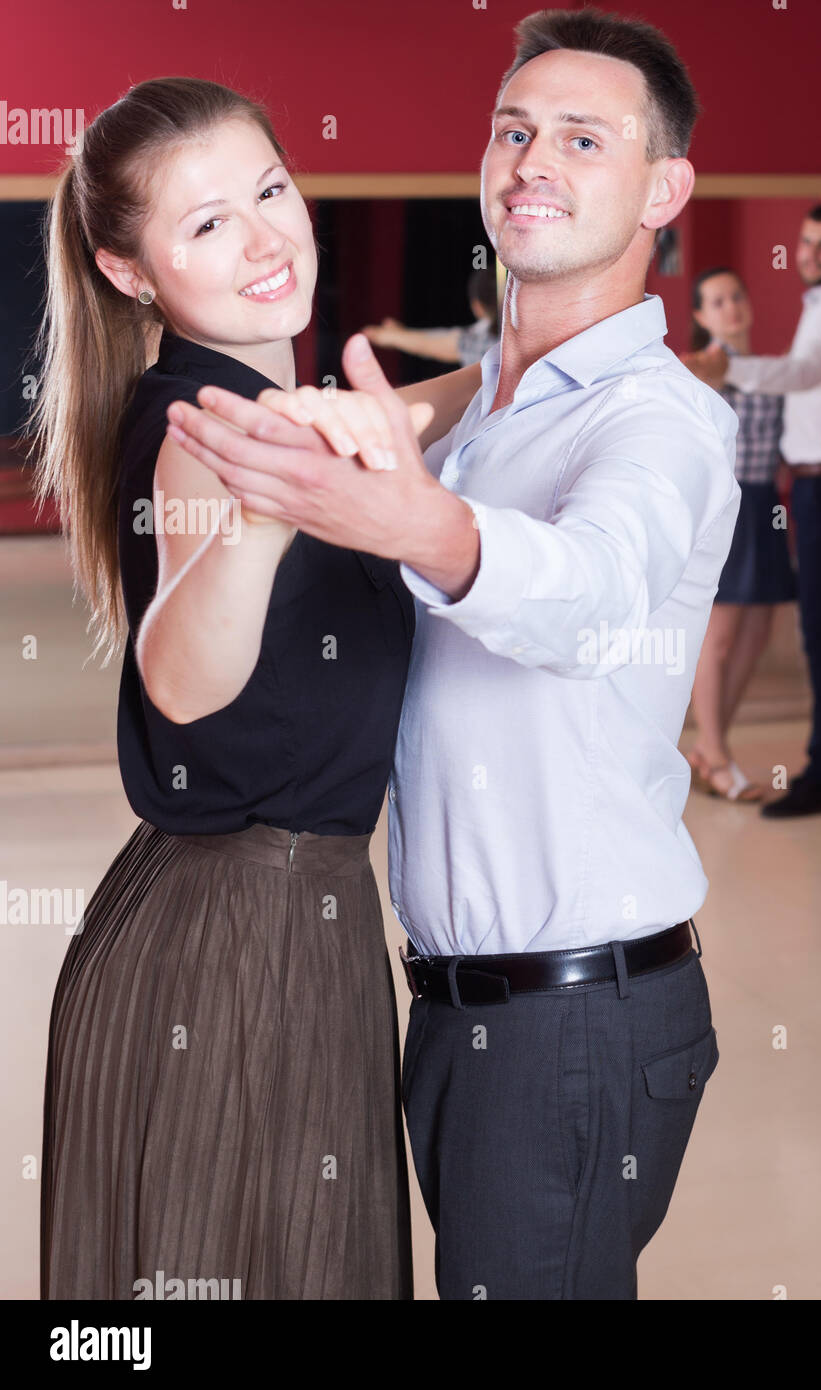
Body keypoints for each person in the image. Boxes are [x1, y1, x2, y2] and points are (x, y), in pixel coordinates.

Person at [165, 7, 738, 1299]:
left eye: (582, 138)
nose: (532, 158)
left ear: (663, 188)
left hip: (571, 1022)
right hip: (454, 1011)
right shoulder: (479, 410)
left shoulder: (660, 423)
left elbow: (590, 595)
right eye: (513, 128)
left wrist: (411, 521)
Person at [32, 77, 480, 1298]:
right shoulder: (205, 436)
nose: (266, 238)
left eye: (270, 190)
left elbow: (379, 419)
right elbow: (180, 670)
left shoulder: (260, 407)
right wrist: (260, 525)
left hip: (259, 919)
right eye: (207, 224)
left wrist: (510, 376)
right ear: (133, 273)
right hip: (241, 949)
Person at [683, 203, 821, 818]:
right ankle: (733, 753)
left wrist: (731, 365)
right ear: (698, 315)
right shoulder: (714, 368)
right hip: (748, 506)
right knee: (806, 630)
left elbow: (804, 374)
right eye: (806, 242)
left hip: (794, 494)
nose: (811, 253)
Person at [683, 266, 795, 802]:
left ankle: (710, 747)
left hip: (765, 503)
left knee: (758, 629)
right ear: (702, 317)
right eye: (717, 302)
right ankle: (717, 753)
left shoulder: (772, 369)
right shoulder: (700, 369)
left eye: (736, 296)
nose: (730, 307)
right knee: (720, 635)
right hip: (725, 505)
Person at [364, 265, 501, 367]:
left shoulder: (492, 340)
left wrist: (393, 337)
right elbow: (451, 336)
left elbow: (441, 344)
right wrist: (402, 334)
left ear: (477, 307)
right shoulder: (499, 328)